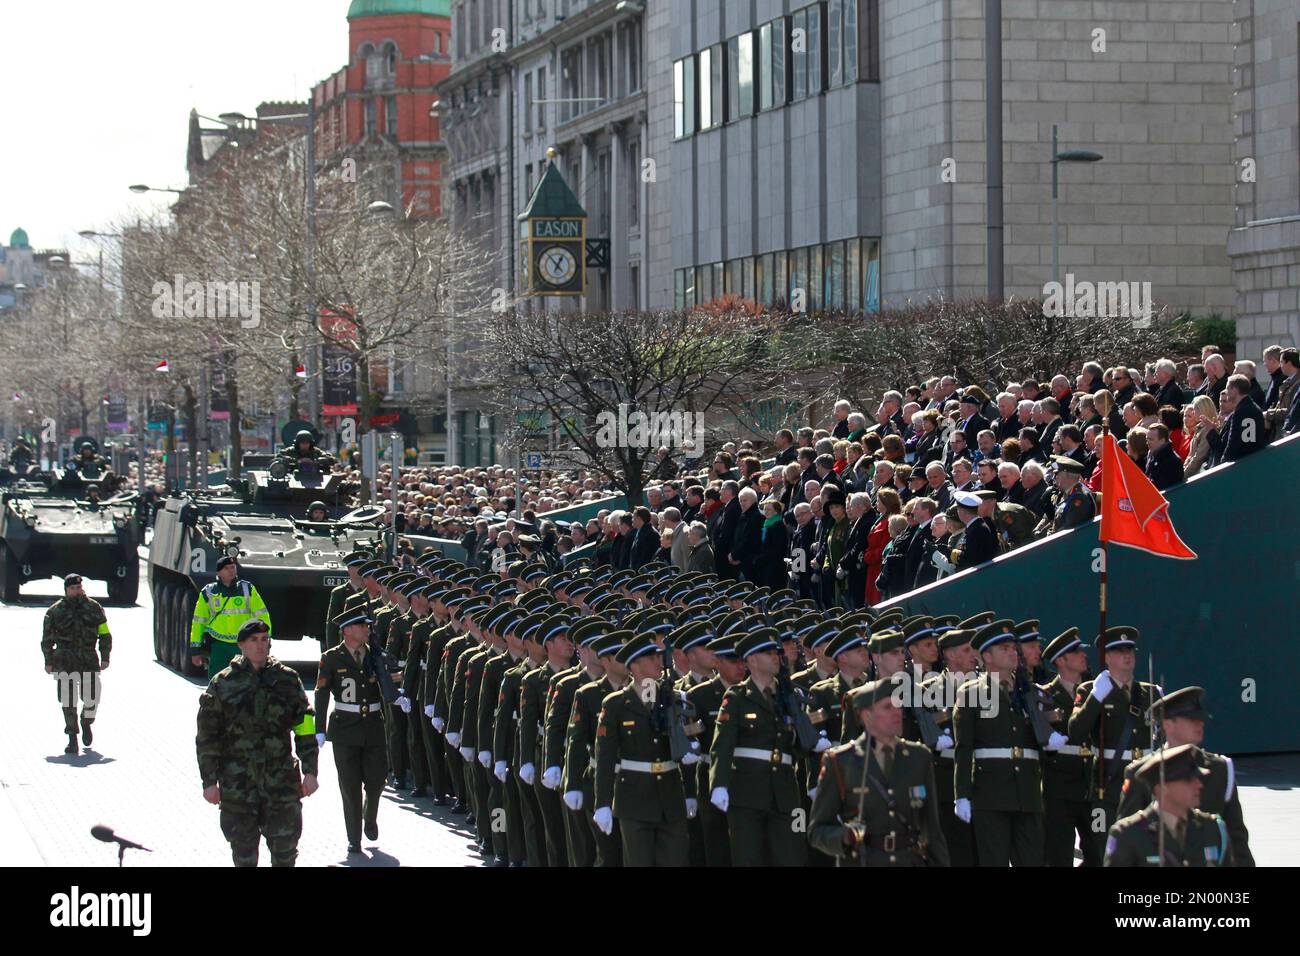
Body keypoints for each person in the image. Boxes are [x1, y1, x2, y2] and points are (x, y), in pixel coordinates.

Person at [196, 619, 319, 867]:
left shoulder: (287, 680)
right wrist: (209, 782)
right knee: (244, 856)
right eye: (254, 640)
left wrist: (310, 771)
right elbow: (207, 736)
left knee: (285, 854)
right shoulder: (223, 683)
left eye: (264, 639)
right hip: (239, 785)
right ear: (241, 644)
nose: (260, 646)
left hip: (280, 782)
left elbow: (305, 727)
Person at [808, 679, 950, 866]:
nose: (897, 712)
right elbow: (817, 831)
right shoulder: (841, 761)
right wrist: (844, 836)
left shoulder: (919, 757)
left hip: (908, 860)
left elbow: (931, 829)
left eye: (898, 706)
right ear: (867, 716)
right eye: (887, 707)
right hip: (864, 860)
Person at [1114, 686, 1254, 866]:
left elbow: (1236, 836)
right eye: (1191, 719)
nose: (1200, 723)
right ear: (1168, 724)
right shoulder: (1142, 772)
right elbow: (1127, 836)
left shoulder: (1220, 769)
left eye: (1201, 719)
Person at [709, 628, 808, 866]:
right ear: (752, 660)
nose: (776, 656)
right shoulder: (737, 697)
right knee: (749, 858)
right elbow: (723, 744)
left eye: (777, 652)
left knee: (789, 857)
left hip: (784, 791)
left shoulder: (790, 695)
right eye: (768, 653)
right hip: (747, 792)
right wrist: (719, 784)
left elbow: (799, 745)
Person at [952, 621, 1046, 867]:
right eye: (1004, 648)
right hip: (990, 794)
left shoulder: (1030, 692)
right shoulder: (971, 694)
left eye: (1013, 647)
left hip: (1027, 793)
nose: (1013, 652)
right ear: (987, 656)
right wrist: (961, 794)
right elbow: (964, 748)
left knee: (1032, 860)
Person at [593, 633, 692, 866]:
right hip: (634, 799)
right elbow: (605, 757)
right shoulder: (616, 704)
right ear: (634, 665)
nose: (659, 662)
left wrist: (691, 792)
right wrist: (603, 803)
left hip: (670, 796)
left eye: (659, 657)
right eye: (651, 658)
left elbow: (686, 742)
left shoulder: (674, 698)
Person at [315, 604, 389, 854]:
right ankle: (354, 837)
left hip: (374, 726)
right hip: (345, 728)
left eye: (367, 625)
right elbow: (322, 691)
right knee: (349, 785)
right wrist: (319, 728)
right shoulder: (332, 657)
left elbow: (389, 681)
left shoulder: (375, 655)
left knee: (377, 779)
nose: (366, 629)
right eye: (361, 625)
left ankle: (370, 814)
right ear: (347, 630)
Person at [1104, 744, 1233, 867]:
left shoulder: (1212, 829)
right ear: (1162, 787)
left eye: (1198, 778)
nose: (1199, 784)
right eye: (1188, 780)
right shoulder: (1129, 835)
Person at [42, 573, 111, 755]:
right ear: (66, 590)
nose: (76, 591)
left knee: (91, 699)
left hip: (88, 659)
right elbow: (47, 639)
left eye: (79, 588)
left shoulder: (94, 608)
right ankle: (72, 737)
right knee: (68, 701)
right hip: (65, 660)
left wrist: (105, 656)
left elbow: (104, 634)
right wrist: (49, 661)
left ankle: (86, 723)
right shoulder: (55, 611)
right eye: (73, 588)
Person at [190, 556, 273, 678]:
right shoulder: (208, 593)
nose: (231, 571)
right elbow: (198, 623)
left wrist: (267, 640)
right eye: (227, 568)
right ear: (218, 572)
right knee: (217, 682)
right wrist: (195, 650)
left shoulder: (247, 589)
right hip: (218, 646)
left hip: (242, 645)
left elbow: (262, 616)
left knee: (246, 681)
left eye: (233, 567)